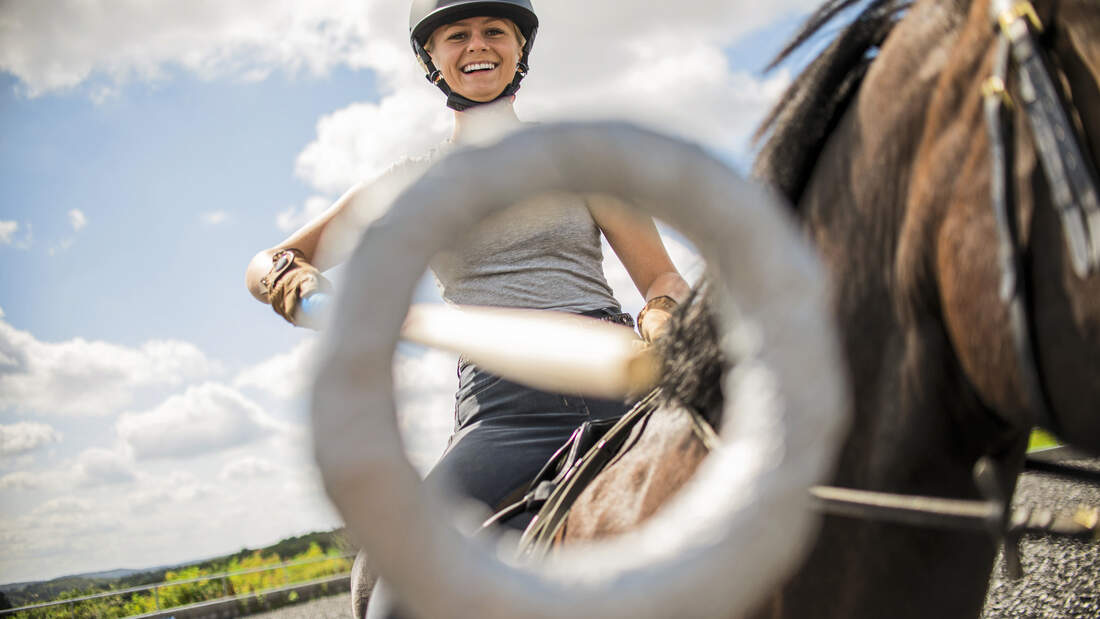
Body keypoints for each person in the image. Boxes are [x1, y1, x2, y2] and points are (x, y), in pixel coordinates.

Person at [245, 1, 690, 616]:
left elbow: (662, 274)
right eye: (457, 35)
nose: (477, 45)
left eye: (493, 31)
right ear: (432, 56)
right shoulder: (411, 183)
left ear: (518, 48)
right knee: (393, 595)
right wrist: (293, 283)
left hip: (624, 385)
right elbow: (271, 259)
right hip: (505, 416)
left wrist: (662, 316)